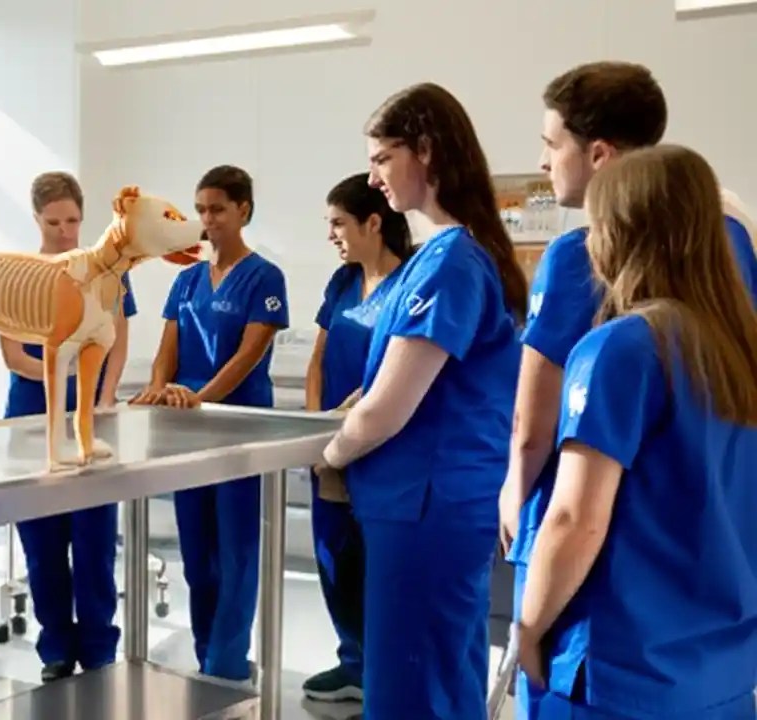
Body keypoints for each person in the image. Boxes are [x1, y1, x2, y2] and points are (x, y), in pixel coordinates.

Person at [500, 61, 757, 719]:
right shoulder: (736, 346)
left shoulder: (621, 347)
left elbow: (574, 517)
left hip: (618, 670)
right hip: (719, 671)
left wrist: (525, 630)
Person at [318, 83, 527, 719]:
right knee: (443, 677)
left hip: (425, 508)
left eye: (383, 158)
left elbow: (388, 410)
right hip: (426, 504)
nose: (374, 176)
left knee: (412, 689)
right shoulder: (439, 256)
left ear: (427, 151)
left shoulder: (451, 262)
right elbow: (403, 381)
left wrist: (331, 451)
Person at [130, 164, 289, 682]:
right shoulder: (187, 278)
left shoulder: (265, 277)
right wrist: (159, 389)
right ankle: (208, 654)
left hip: (237, 428)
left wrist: (197, 398)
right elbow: (166, 351)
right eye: (200, 210)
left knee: (238, 549)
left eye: (218, 209)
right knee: (197, 552)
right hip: (185, 428)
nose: (207, 219)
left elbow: (249, 353)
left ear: (243, 209)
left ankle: (225, 664)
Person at [2, 171, 136, 682]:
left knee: (95, 537)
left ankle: (100, 646)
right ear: (36, 219)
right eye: (54, 222)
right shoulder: (20, 272)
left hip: (91, 415)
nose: (65, 232)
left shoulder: (107, 270)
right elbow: (14, 355)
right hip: (34, 420)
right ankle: (55, 646)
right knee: (43, 540)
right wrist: (64, 376)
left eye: (74, 220)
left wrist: (99, 396)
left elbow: (118, 340)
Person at [301, 172, 413, 704]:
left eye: (338, 223)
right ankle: (353, 663)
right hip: (328, 449)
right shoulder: (342, 282)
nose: (332, 235)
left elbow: (400, 372)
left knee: (377, 566)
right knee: (332, 558)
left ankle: (384, 672)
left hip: (381, 445)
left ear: (374, 222)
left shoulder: (410, 284)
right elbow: (319, 359)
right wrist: (311, 432)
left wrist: (349, 426)